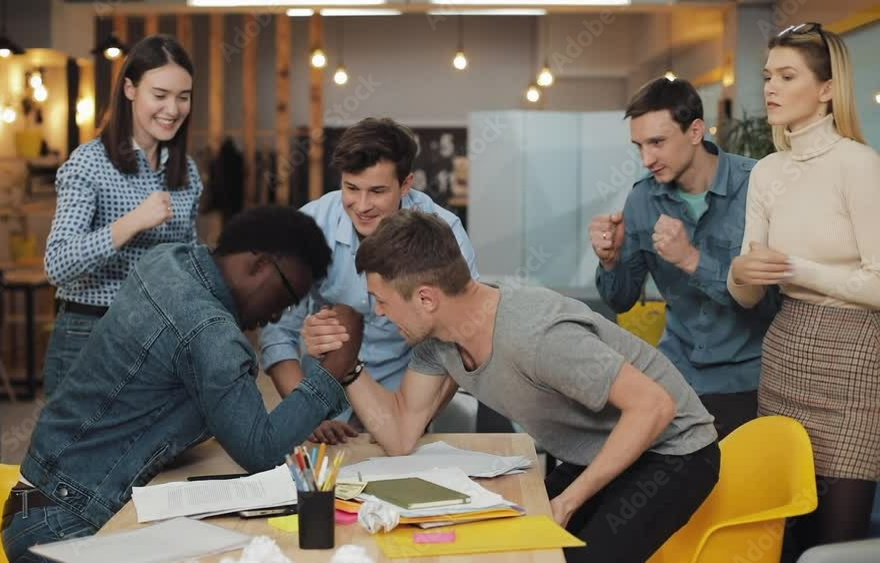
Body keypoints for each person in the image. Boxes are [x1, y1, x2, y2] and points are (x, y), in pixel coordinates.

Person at [344, 209, 720, 563]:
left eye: (382, 300)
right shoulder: (439, 343)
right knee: (516, 548)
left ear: (426, 298)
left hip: (673, 451)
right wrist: (345, 366)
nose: (378, 312)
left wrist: (567, 503)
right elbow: (400, 435)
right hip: (602, 446)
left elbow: (655, 406)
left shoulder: (535, 336)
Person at [1, 206, 365, 561]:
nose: (275, 316)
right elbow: (262, 450)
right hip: (66, 526)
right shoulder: (209, 330)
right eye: (285, 300)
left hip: (40, 503)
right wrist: (337, 367)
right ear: (258, 265)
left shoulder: (166, 261)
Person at [728, 23, 880, 556]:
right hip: (785, 352)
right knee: (780, 536)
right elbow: (748, 291)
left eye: (787, 76)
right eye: (768, 75)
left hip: (855, 360)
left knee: (835, 543)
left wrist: (795, 268)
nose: (770, 87)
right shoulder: (767, 171)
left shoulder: (859, 166)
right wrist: (739, 273)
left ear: (827, 89)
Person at [258, 117, 478, 444]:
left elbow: (461, 339)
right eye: (351, 189)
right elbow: (278, 332)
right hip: (324, 399)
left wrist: (414, 422)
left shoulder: (445, 235)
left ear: (406, 184)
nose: (361, 206)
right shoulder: (309, 226)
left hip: (403, 401)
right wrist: (302, 411)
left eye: (377, 191)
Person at [591, 77, 778, 440]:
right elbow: (621, 300)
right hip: (675, 378)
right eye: (639, 146)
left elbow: (771, 301)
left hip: (749, 384)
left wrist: (691, 259)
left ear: (695, 131)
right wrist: (610, 261)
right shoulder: (642, 199)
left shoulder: (757, 186)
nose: (646, 160)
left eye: (657, 143)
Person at [42, 34, 203, 397]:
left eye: (183, 97)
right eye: (159, 95)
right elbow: (57, 264)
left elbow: (188, 266)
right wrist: (132, 222)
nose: (173, 109)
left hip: (158, 340)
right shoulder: (89, 163)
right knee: (79, 436)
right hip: (89, 334)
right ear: (130, 89)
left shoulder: (187, 172)